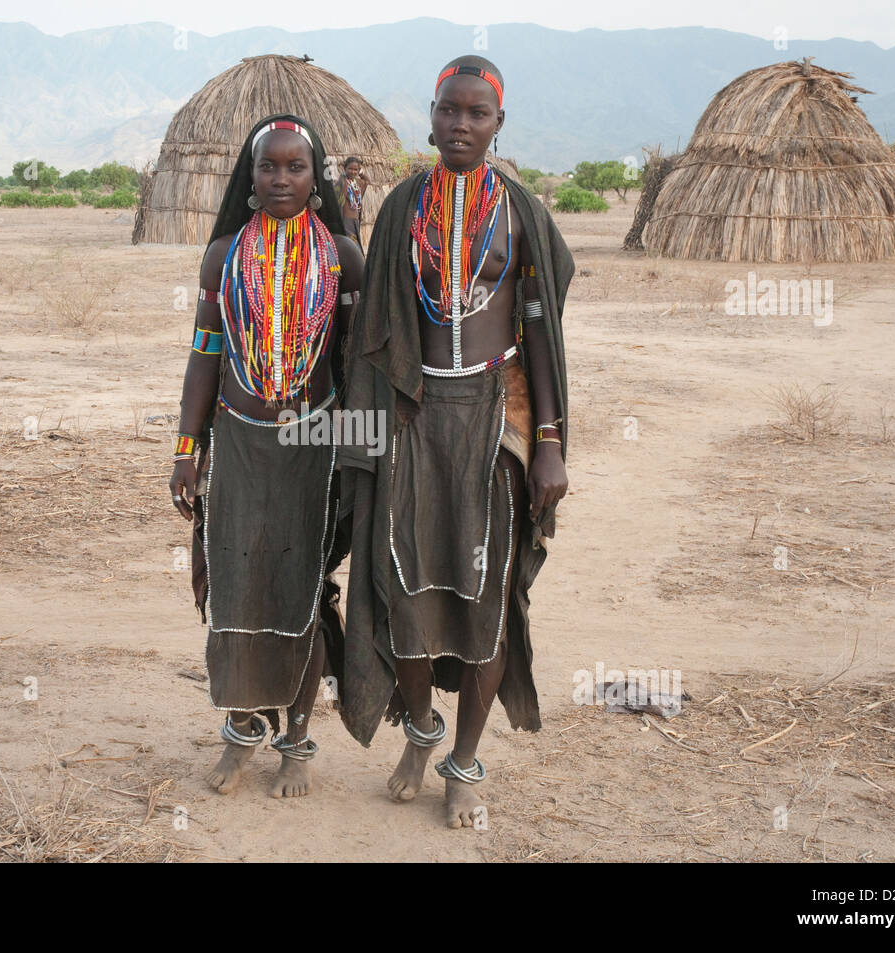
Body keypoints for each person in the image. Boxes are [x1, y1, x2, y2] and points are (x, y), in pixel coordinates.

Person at [338, 56, 574, 828]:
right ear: (430, 116)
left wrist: (548, 440)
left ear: (498, 124)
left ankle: (464, 763)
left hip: (492, 412)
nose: (461, 126)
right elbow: (375, 330)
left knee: (486, 599)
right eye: (449, 111)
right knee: (400, 586)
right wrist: (362, 430)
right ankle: (421, 729)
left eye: (477, 114)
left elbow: (539, 329)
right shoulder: (405, 205)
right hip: (413, 413)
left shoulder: (520, 214)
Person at [169, 114, 365, 799]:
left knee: (301, 594)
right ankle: (241, 730)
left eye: (296, 167)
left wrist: (363, 453)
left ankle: (298, 742)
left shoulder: (343, 256)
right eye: (268, 168)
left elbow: (357, 363)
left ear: (317, 181)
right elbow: (204, 358)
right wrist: (187, 450)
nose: (281, 178)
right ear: (249, 180)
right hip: (240, 439)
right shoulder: (223, 256)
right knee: (233, 591)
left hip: (313, 444)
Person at [335, 156, 370, 249]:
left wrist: (361, 172)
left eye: (356, 170)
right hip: (346, 221)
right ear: (345, 168)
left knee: (355, 246)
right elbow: (337, 202)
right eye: (350, 169)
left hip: (355, 221)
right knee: (352, 247)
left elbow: (366, 181)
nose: (353, 172)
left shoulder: (356, 184)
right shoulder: (342, 183)